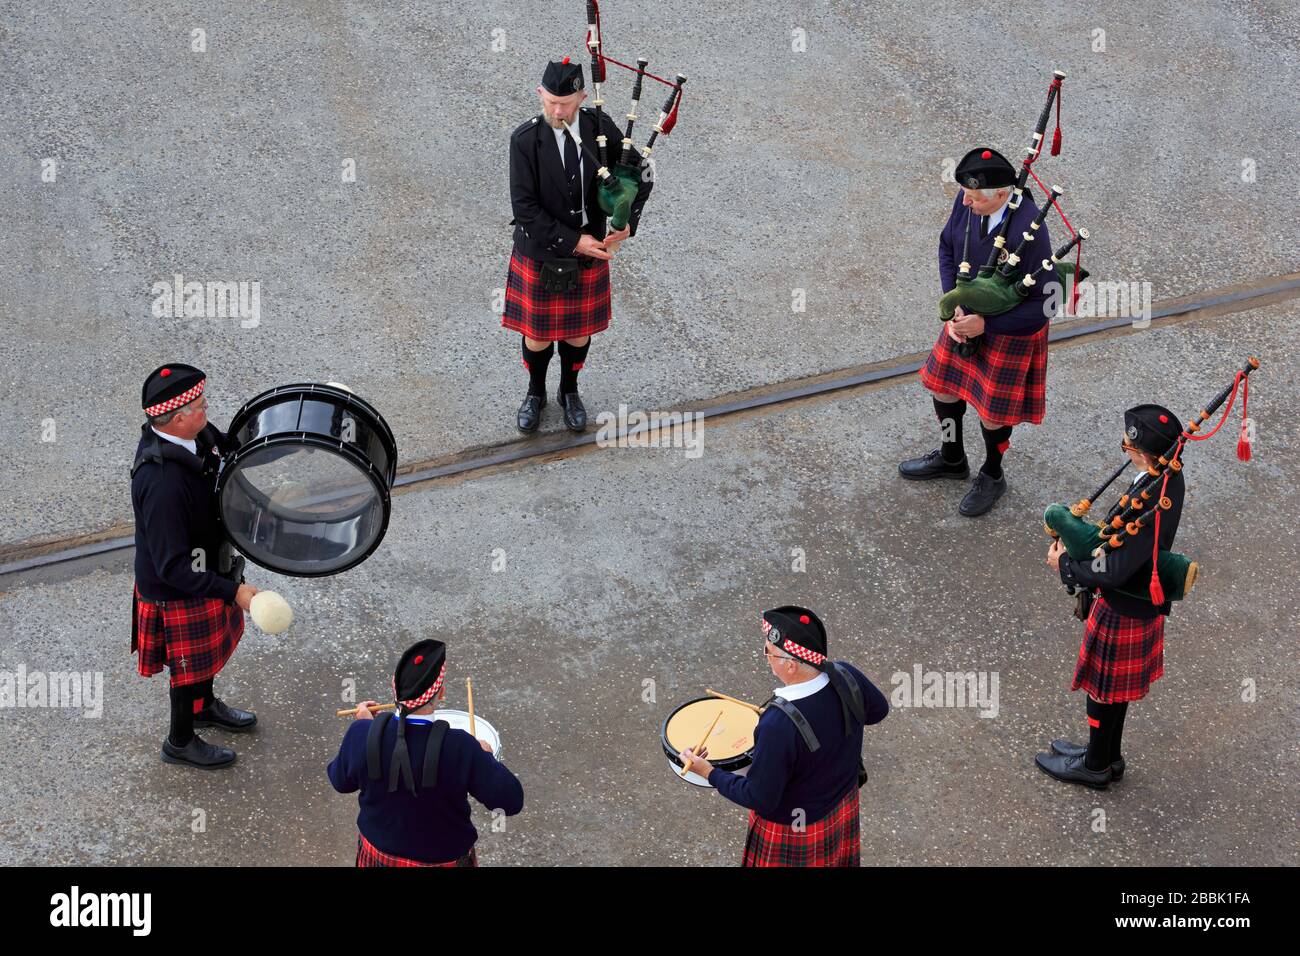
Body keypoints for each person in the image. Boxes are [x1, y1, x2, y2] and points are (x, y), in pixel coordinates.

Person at [899, 147, 1055, 516]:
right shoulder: (969, 200)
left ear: (1002, 194)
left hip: (1011, 331)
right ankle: (952, 457)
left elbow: (1047, 302)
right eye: (965, 195)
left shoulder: (1029, 229)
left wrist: (987, 323)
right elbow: (947, 247)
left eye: (974, 198)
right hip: (964, 316)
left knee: (992, 414)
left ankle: (992, 473)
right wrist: (954, 301)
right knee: (943, 388)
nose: (965, 203)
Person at [1036, 405, 1186, 788]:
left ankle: (1095, 765)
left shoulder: (1154, 494)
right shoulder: (1162, 475)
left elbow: (1118, 568)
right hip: (1135, 602)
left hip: (1125, 602)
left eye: (1127, 444)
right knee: (1113, 690)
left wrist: (1067, 566)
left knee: (1102, 692)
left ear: (1139, 450)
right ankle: (1106, 756)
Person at [503, 57, 653, 433]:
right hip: (540, 249)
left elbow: (640, 175)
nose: (557, 110)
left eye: (566, 104)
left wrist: (628, 222)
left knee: (576, 332)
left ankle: (569, 391)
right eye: (550, 101)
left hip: (592, 249)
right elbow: (524, 209)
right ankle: (535, 392)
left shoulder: (600, 130)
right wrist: (575, 241)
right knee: (537, 336)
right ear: (540, 95)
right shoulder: (525, 141)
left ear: (582, 97)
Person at [679, 606, 889, 866]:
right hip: (841, 802)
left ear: (790, 665)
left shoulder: (778, 724)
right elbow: (878, 711)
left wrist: (710, 773)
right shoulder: (847, 674)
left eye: (769, 651)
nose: (766, 656)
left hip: (795, 828)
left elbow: (760, 798)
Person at [131, 364, 259, 770]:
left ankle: (204, 707)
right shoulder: (161, 484)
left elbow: (226, 444)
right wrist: (234, 592)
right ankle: (180, 740)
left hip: (207, 567)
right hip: (178, 589)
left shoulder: (194, 431)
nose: (208, 413)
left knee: (203, 661)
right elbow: (172, 567)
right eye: (201, 408)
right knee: (186, 670)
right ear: (179, 417)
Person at [328, 639, 525, 866]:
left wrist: (366, 730)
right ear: (440, 693)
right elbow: (511, 801)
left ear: (395, 690)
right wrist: (486, 756)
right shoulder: (463, 747)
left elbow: (340, 782)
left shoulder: (361, 733)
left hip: (377, 856)